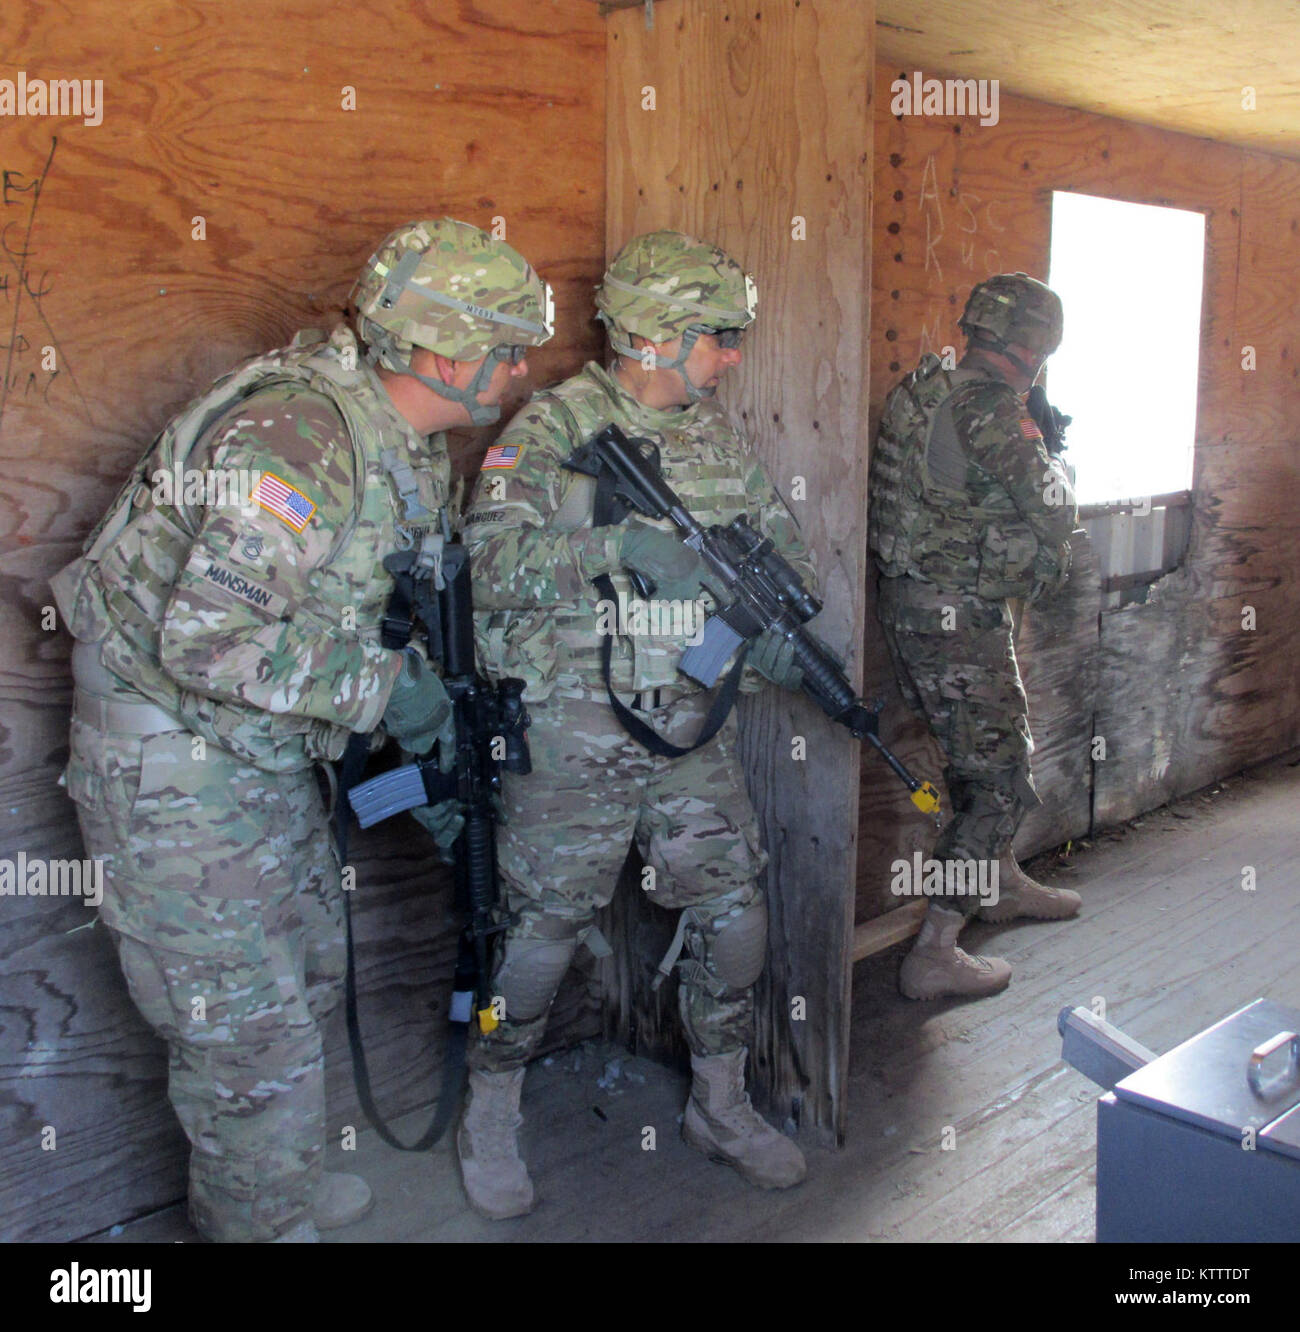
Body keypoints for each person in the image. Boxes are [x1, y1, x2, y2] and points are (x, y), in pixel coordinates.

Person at [51, 218, 553, 1241]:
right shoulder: (299, 436)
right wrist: (390, 695)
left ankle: (268, 1187)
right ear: (445, 354)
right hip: (173, 771)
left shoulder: (402, 443)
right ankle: (265, 1220)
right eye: (508, 348)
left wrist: (442, 733)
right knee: (249, 1043)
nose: (520, 369)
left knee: (311, 976)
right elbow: (210, 643)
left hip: (253, 751)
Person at [457, 230, 815, 1218]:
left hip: (689, 726)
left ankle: (717, 1102)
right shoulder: (549, 428)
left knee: (734, 918)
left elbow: (776, 556)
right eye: (718, 334)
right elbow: (485, 569)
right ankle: (490, 1104)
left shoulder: (714, 438)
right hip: (573, 729)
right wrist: (615, 548)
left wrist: (779, 636)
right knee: (539, 938)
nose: (733, 355)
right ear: (654, 335)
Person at [868, 272, 1080, 1001]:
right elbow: (1056, 511)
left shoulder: (929, 389)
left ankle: (997, 881)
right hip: (958, 620)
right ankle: (936, 947)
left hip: (927, 611)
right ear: (1033, 345)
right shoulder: (991, 410)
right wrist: (1061, 462)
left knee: (973, 766)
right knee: (1000, 784)